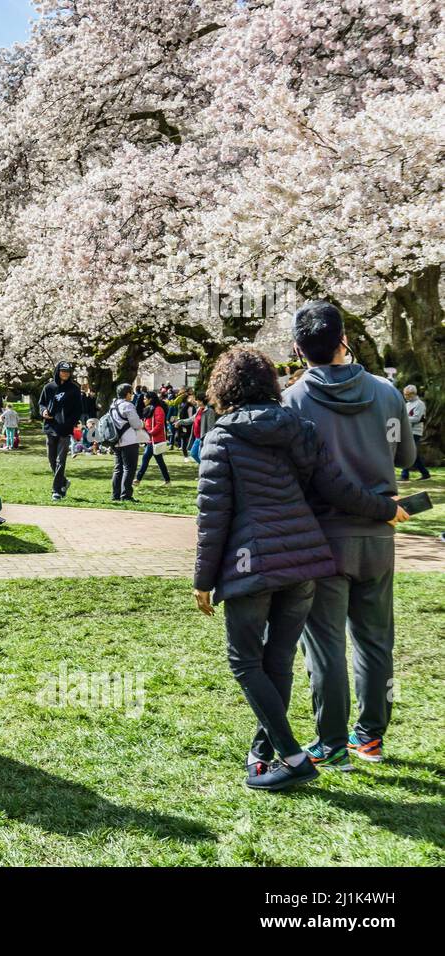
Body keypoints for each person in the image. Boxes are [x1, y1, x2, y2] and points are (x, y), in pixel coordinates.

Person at [194, 345, 405, 792]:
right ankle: (261, 752)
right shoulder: (301, 429)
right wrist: (383, 508)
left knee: (244, 662)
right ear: (271, 383)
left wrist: (202, 580)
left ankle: (292, 756)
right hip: (305, 561)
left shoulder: (222, 437)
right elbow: (337, 488)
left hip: (252, 565)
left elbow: (213, 517)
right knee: (278, 660)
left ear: (223, 387)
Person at [281, 301, 417, 768]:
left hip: (323, 538)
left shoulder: (293, 401)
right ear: (344, 339)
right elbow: (404, 457)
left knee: (324, 644)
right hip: (379, 536)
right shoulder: (388, 392)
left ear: (299, 350)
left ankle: (331, 741)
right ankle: (371, 736)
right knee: (376, 639)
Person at [38, 362, 83, 500]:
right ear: (57, 371)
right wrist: (43, 411)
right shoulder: (49, 387)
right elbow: (41, 403)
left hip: (64, 429)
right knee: (51, 459)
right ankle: (63, 481)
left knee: (60, 460)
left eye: (68, 371)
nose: (65, 373)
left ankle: (56, 490)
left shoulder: (74, 389)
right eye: (62, 371)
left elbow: (78, 410)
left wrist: (69, 424)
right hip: (50, 427)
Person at [108, 383, 148, 502]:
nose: (132, 395)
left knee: (118, 468)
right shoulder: (127, 405)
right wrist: (143, 424)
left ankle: (116, 495)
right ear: (127, 393)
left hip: (116, 440)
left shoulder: (113, 405)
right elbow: (136, 424)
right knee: (129, 468)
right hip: (129, 440)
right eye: (131, 392)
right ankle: (126, 495)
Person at [134, 392, 172, 487]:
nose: (144, 400)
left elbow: (159, 424)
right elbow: (147, 422)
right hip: (151, 439)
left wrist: (150, 433)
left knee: (145, 458)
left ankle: (137, 480)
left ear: (150, 399)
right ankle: (167, 481)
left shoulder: (158, 409)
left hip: (156, 439)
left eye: (145, 398)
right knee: (159, 461)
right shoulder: (149, 409)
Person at [399, 384, 430, 480]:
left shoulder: (420, 404)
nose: (405, 396)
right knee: (412, 453)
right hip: (407, 430)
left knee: (408, 452)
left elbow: (417, 418)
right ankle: (425, 474)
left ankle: (405, 475)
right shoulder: (407, 404)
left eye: (407, 394)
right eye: (404, 394)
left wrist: (403, 418)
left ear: (413, 394)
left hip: (415, 431)